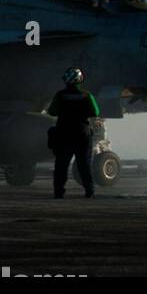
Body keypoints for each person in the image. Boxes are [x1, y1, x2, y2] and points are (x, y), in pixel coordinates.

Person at [46, 67, 100, 198]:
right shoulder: (87, 95)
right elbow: (96, 112)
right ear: (80, 80)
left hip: (64, 133)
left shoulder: (60, 95)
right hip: (82, 134)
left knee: (61, 165)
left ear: (66, 80)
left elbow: (51, 111)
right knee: (84, 164)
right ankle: (89, 191)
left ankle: (59, 192)